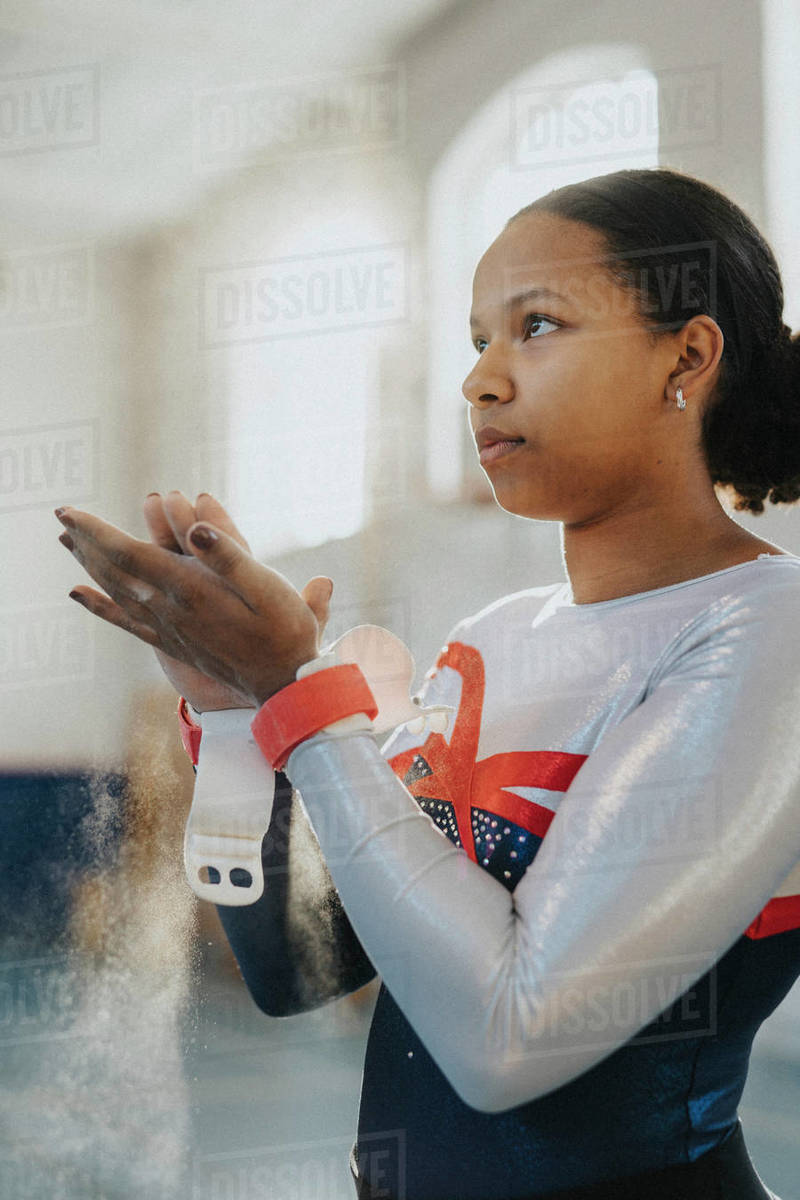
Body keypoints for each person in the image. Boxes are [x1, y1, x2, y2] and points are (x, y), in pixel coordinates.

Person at [55, 167, 800, 1199]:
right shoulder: (493, 636)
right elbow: (305, 969)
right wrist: (234, 712)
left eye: (536, 326)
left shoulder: (767, 626)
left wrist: (301, 704)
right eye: (477, 341)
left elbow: (506, 1040)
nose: (480, 381)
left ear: (687, 356)